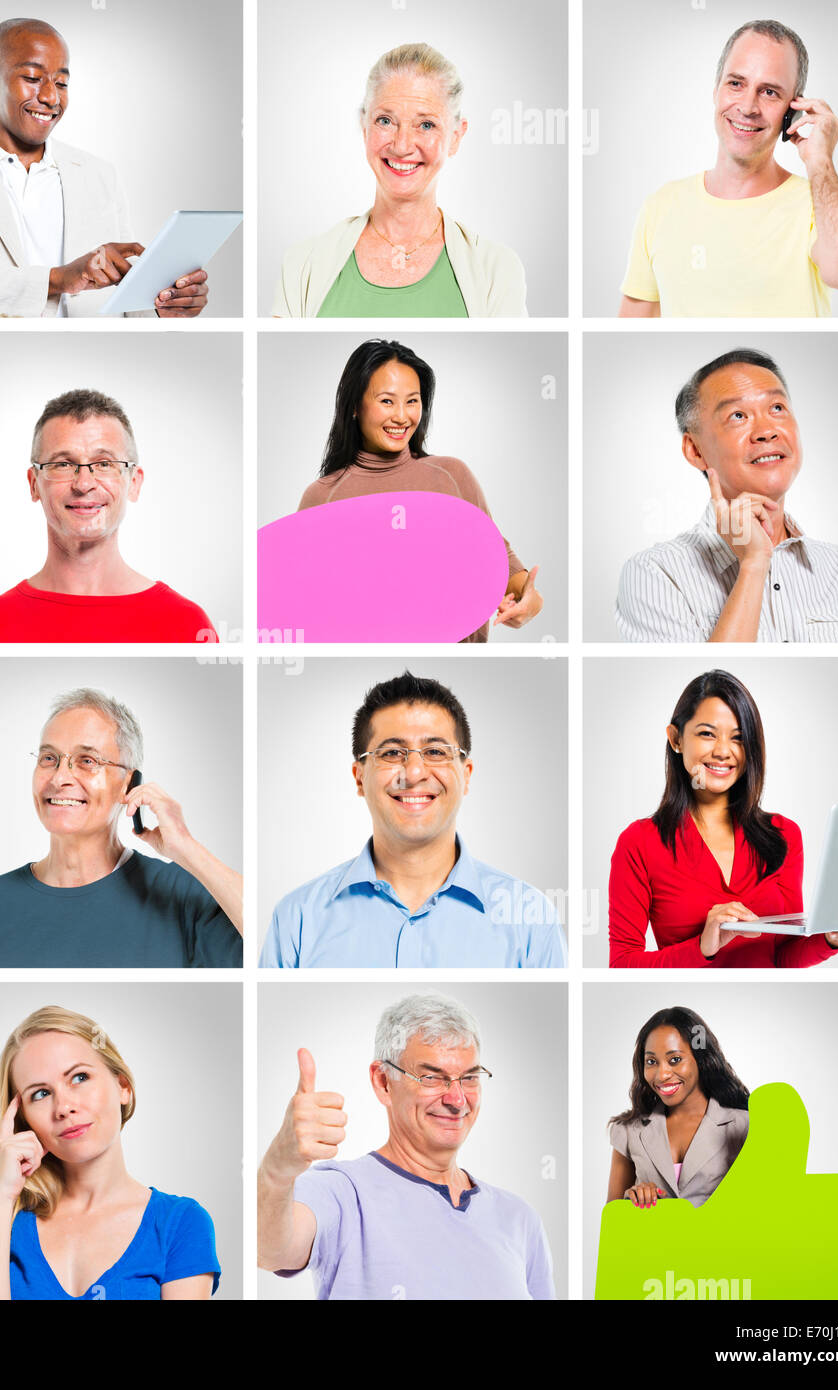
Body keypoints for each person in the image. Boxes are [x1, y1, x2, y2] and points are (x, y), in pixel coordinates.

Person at [257, 993, 555, 1300]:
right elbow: (269, 1248)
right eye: (431, 1077)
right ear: (384, 1081)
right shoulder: (341, 1193)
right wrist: (276, 1171)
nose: (457, 1099)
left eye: (469, 1077)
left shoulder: (520, 1219)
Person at [260, 672, 565, 967]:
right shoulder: (296, 918)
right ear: (359, 778)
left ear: (466, 775)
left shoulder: (530, 917)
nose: (415, 772)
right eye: (392, 753)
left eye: (435, 751)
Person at [608, 668, 838, 967]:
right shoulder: (640, 842)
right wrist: (703, 948)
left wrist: (835, 938)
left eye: (738, 738)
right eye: (707, 734)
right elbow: (621, 964)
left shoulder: (783, 834)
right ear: (676, 738)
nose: (723, 751)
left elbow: (784, 957)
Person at [0, 688, 242, 967]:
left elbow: (268, 940)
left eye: (87, 760)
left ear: (129, 783)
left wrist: (187, 848)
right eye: (49, 758)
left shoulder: (186, 897)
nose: (60, 778)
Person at [0, 1006, 220, 1299]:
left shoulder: (180, 1222)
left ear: (123, 1087)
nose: (63, 1107)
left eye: (79, 1077)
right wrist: (1, 1197)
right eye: (41, 1094)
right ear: (23, 1119)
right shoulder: (0, 1217)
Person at [0, 18, 208, 318]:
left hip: (91, 356)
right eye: (33, 78)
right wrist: (58, 279)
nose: (51, 97)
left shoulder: (100, 175)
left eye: (61, 83)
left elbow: (124, 304)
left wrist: (164, 305)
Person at [616, 349, 838, 643]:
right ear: (695, 450)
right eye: (738, 416)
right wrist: (753, 564)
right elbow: (718, 680)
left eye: (777, 408)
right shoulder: (656, 574)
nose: (766, 431)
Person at [618, 20, 838, 317]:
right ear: (716, 89)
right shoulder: (660, 206)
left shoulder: (818, 204)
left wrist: (819, 160)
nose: (747, 107)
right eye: (736, 83)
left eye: (769, 92)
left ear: (793, 111)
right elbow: (632, 324)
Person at [299, 339, 542, 640]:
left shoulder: (452, 476)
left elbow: (502, 565)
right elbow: (309, 607)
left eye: (412, 401)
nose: (402, 416)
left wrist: (530, 602)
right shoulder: (323, 496)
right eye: (387, 401)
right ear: (353, 406)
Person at [273, 43, 525, 318]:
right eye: (385, 120)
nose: (402, 145)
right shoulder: (302, 264)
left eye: (426, 124)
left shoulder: (498, 270)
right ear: (364, 125)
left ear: (456, 136)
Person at [0, 388, 215, 642]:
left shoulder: (188, 625)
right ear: (34, 484)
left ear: (133, 482)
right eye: (64, 464)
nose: (84, 484)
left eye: (104, 463)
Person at [606, 1006, 750, 1210]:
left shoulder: (744, 1126)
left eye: (675, 1060)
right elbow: (612, 1222)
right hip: (653, 1242)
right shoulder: (628, 1131)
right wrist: (630, 1198)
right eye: (651, 1062)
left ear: (701, 1059)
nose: (662, 1074)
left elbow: (762, 1207)